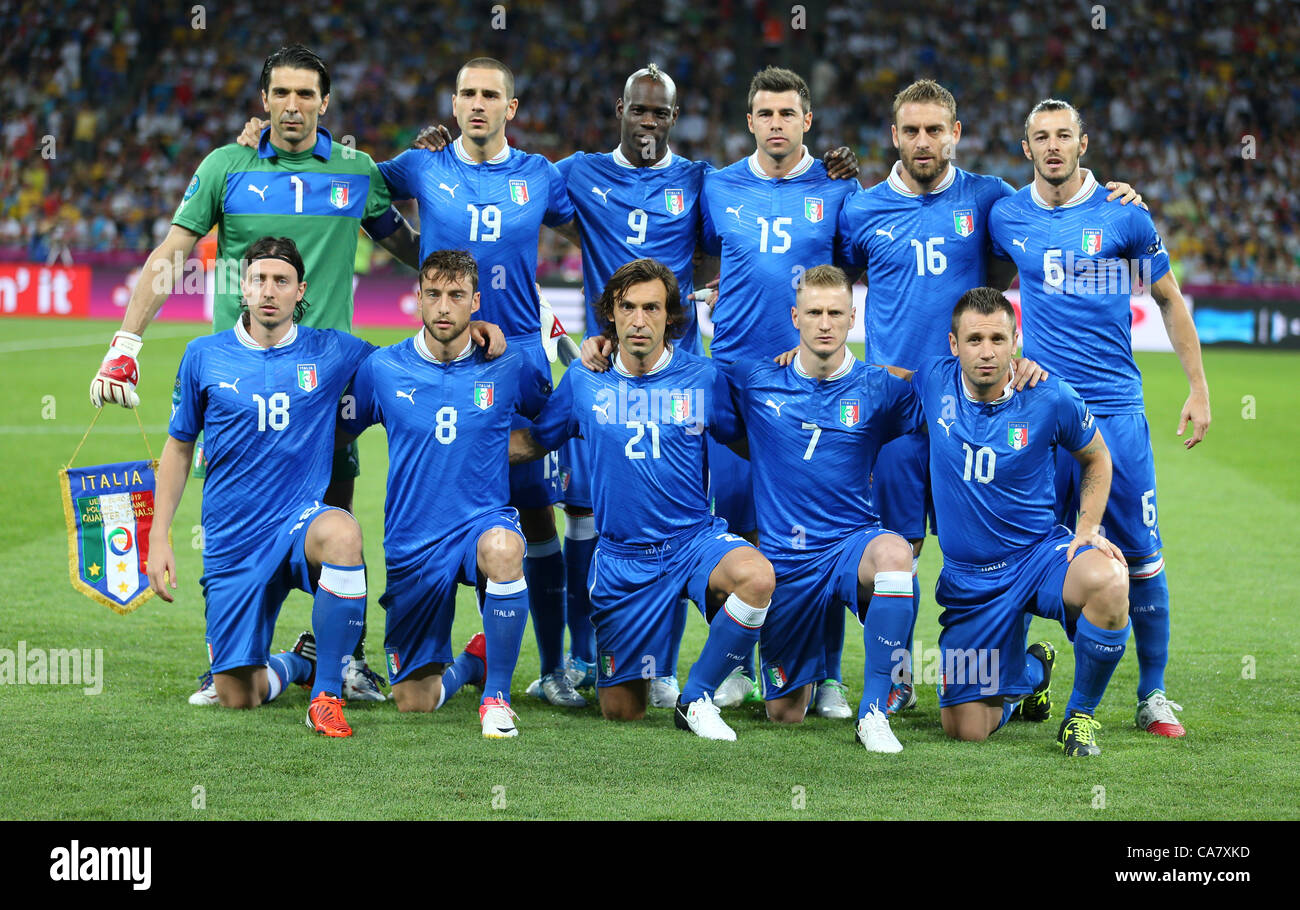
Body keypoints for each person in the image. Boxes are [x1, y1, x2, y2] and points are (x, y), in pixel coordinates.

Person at [92, 44, 450, 704]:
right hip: (238, 377)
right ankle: (235, 651)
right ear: (263, 100)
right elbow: (173, 252)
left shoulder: (354, 171)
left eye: (304, 94)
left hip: (328, 378)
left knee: (337, 508)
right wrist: (126, 341)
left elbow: (417, 252)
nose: (291, 105)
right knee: (231, 504)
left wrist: (433, 179)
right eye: (279, 93)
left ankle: (341, 658)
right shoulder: (227, 166)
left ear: (325, 103)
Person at [835, 79, 1145, 717]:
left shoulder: (989, 199)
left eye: (936, 130)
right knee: (896, 553)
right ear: (895, 136)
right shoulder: (862, 209)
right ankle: (894, 677)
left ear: (956, 134)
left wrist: (1117, 196)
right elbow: (825, 284)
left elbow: (1037, 245)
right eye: (912, 130)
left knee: (995, 546)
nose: (924, 141)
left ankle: (1014, 665)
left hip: (976, 410)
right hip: (897, 416)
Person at [583, 66, 863, 713]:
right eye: (764, 114)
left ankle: (823, 676)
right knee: (733, 528)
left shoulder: (835, 188)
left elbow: (847, 270)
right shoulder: (717, 187)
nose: (775, 125)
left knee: (810, 528)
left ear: (807, 122)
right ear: (749, 122)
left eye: (787, 114)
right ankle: (733, 665)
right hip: (734, 379)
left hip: (808, 385)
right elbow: (699, 255)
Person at [989, 99, 1211, 738]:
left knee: (1141, 553)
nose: (1053, 146)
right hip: (1041, 415)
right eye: (1040, 137)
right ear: (1026, 147)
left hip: (1115, 409)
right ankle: (1022, 679)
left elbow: (1167, 301)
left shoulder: (1123, 216)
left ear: (1083, 143)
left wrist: (1198, 389)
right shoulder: (1006, 215)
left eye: (1064, 136)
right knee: (1026, 552)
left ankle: (1153, 695)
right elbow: (974, 286)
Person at [376, 58, 585, 709]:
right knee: (446, 494)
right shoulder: (423, 165)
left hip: (518, 360)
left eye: (489, 94)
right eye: (466, 92)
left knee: (535, 508)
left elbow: (603, 226)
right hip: (448, 355)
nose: (476, 103)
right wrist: (410, 247)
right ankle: (448, 646)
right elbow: (357, 190)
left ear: (511, 107)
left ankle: (555, 668)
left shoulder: (538, 175)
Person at [510, 258, 776, 741]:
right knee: (620, 711)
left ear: (670, 316)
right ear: (610, 312)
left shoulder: (703, 378)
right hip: (621, 559)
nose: (638, 320)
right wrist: (464, 435)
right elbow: (532, 444)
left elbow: (747, 444)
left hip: (694, 542)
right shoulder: (584, 380)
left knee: (756, 578)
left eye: (651, 308)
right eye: (627, 307)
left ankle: (696, 696)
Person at [146, 236, 375, 737]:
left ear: (300, 291)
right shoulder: (203, 355)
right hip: (231, 540)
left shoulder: (333, 350)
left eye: (281, 281)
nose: (269, 291)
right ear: (242, 289)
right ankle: (299, 663)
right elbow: (179, 448)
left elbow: (414, 359)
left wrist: (479, 331)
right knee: (238, 697)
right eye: (259, 280)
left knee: (342, 533)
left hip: (299, 522)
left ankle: (327, 694)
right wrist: (159, 537)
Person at [910, 287, 1131, 756]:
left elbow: (1096, 458)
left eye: (997, 338)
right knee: (965, 729)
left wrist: (1088, 528)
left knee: (1109, 581)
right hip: (971, 582)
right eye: (974, 340)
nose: (986, 351)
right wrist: (813, 358)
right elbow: (878, 379)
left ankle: (1080, 718)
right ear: (953, 345)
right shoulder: (932, 380)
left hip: (1038, 559)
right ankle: (1034, 673)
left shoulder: (1049, 395)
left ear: (1016, 342)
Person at [340, 250, 546, 738]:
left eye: (456, 296)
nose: (444, 307)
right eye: (433, 294)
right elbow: (337, 433)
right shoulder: (382, 368)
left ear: (476, 301)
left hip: (480, 523)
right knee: (415, 702)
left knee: (504, 547)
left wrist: (503, 450)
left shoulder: (509, 364)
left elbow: (551, 420)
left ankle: (497, 697)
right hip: (414, 540)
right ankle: (473, 664)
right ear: (418, 299)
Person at [727, 266, 921, 751]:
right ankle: (800, 680)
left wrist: (1018, 367)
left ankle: (876, 709)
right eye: (814, 312)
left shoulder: (879, 389)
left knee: (897, 555)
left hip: (851, 545)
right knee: (785, 714)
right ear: (796, 316)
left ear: (853, 318)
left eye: (836, 312)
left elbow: (946, 386)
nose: (825, 323)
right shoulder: (756, 380)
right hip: (786, 562)